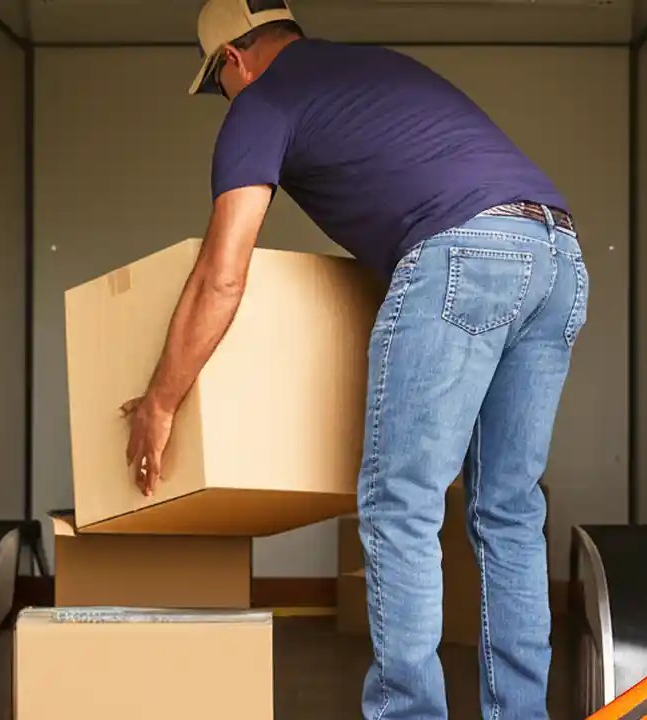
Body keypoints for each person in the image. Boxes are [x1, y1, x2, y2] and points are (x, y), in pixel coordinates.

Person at [122, 1, 588, 718]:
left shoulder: (265, 101)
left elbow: (223, 272)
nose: (227, 101)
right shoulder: (371, 70)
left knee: (400, 507)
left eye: (219, 85)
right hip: (558, 256)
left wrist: (159, 402)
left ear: (234, 61)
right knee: (509, 515)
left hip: (463, 252)